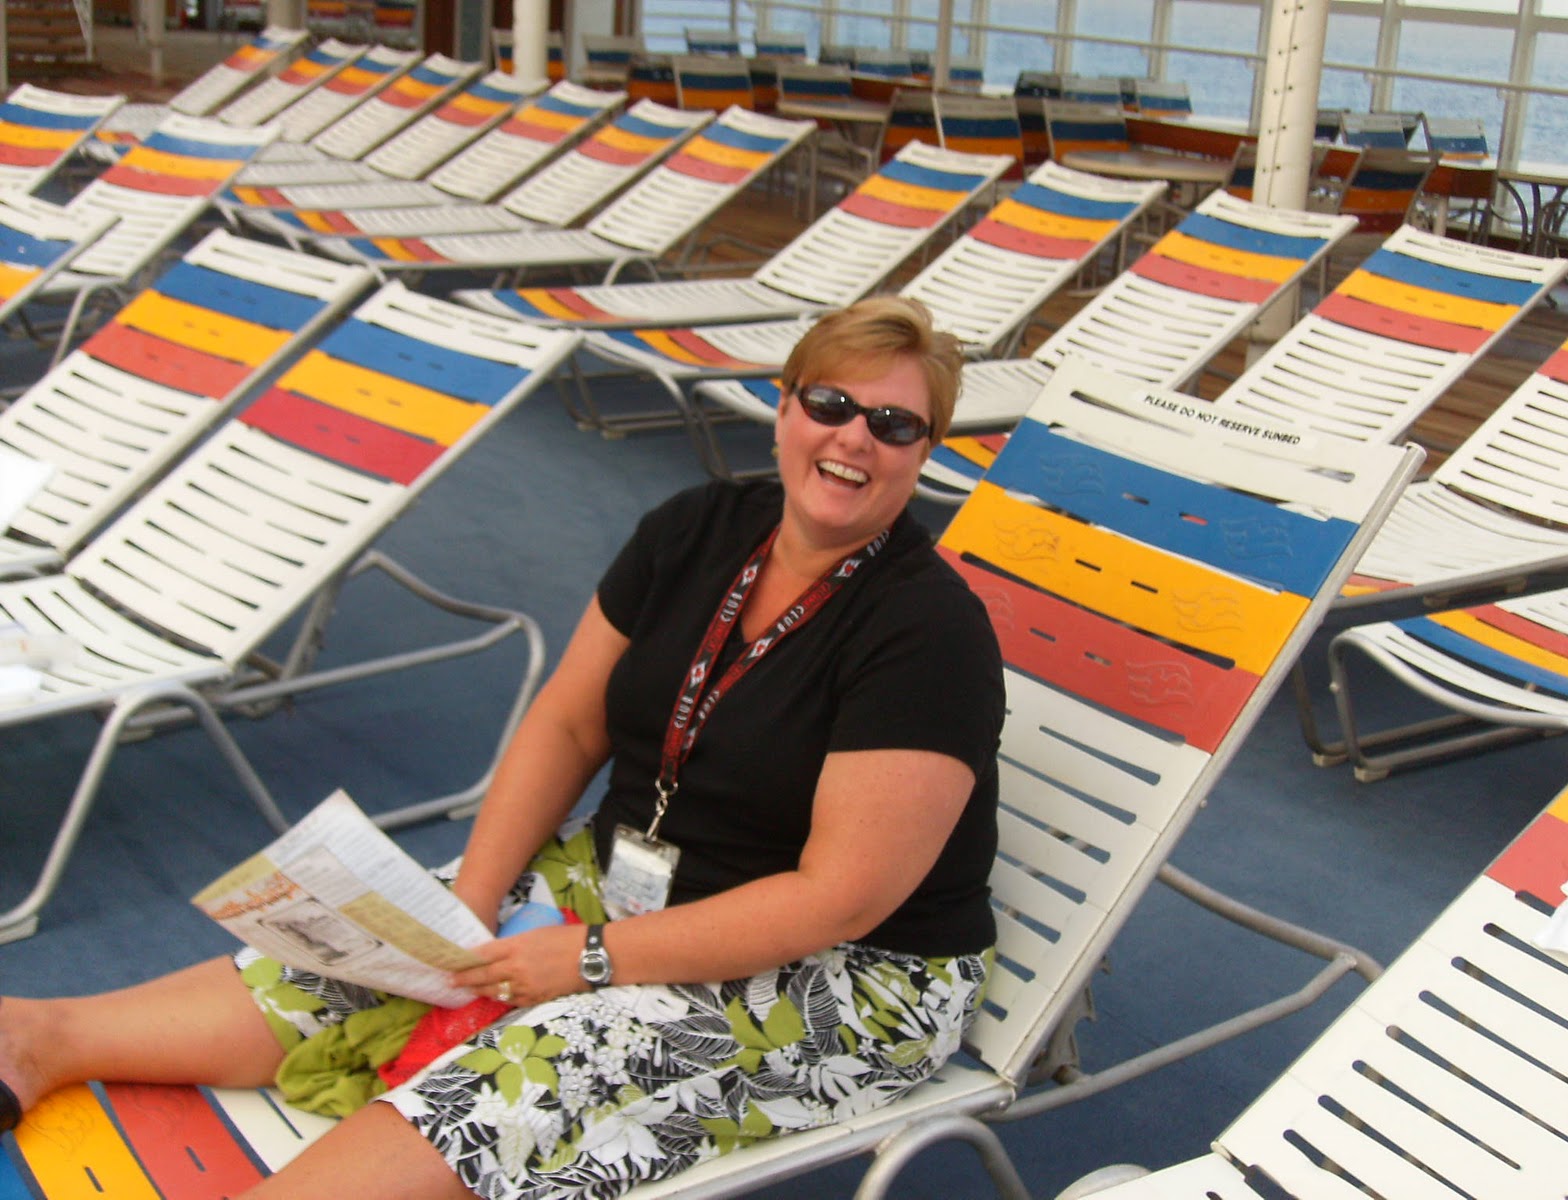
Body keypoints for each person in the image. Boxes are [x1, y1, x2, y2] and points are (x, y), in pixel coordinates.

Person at [0, 295, 1006, 1199]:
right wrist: (462, 912)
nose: (853, 439)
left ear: (927, 450)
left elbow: (842, 896)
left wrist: (597, 959)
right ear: (785, 407)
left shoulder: (924, 632)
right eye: (830, 404)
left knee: (562, 1045)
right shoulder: (700, 527)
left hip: (849, 973)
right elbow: (569, 722)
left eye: (894, 424)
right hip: (635, 881)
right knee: (387, 948)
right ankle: (43, 1036)